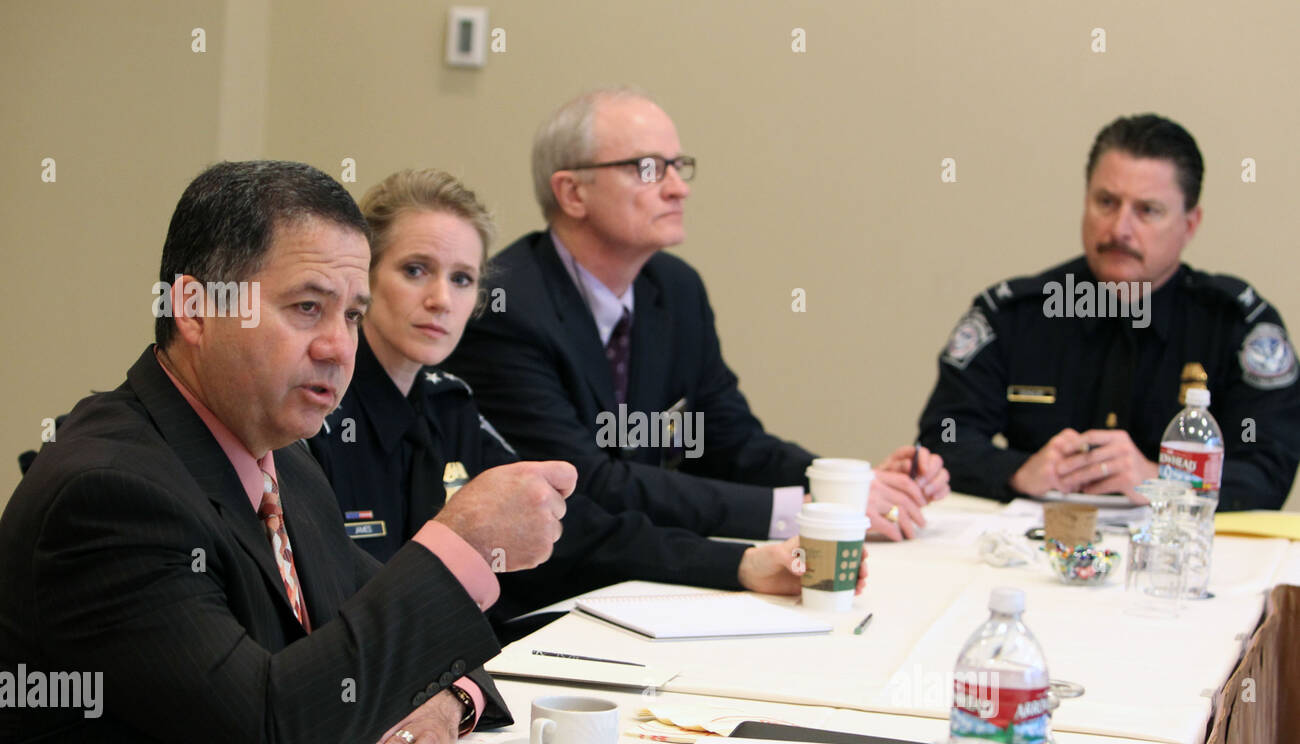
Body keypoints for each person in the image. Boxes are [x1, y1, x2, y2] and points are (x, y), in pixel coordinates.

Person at [0, 160, 575, 744]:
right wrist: (460, 546)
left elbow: (384, 625)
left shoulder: (284, 457)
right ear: (194, 308)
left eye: (353, 314)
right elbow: (274, 736)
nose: (339, 349)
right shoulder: (107, 496)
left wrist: (450, 696)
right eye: (307, 308)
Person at [307, 169, 833, 635]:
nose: (442, 299)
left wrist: (738, 564)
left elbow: (576, 529)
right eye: (416, 270)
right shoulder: (318, 418)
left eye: (463, 278)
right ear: (367, 279)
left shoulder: (449, 405)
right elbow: (340, 613)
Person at [444, 88, 949, 543]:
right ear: (572, 193)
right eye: (647, 169)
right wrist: (803, 510)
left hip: (647, 569)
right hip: (543, 587)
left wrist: (850, 482)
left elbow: (727, 438)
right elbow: (588, 481)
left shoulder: (675, 288)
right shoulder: (505, 306)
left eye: (677, 166)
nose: (677, 188)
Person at [918, 114, 1300, 510]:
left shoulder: (1234, 325)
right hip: (1035, 551)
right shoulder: (1016, 315)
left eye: (1147, 210)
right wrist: (1018, 471)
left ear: (1190, 225)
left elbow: (1268, 469)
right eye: (1106, 202)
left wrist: (1160, 480)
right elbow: (943, 437)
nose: (1119, 229)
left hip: (1181, 557)